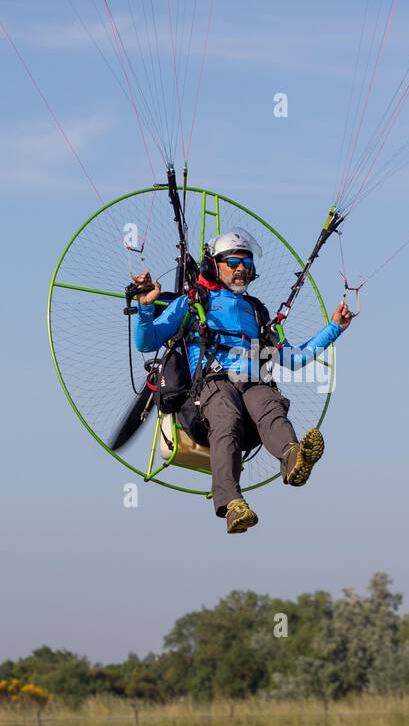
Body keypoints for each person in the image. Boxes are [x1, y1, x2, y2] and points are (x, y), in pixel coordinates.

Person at [132, 228, 355, 533]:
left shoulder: (257, 312)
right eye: (233, 261)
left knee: (270, 404)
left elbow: (293, 359)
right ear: (214, 265)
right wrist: (145, 307)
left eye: (246, 263)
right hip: (211, 385)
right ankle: (232, 503)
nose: (241, 269)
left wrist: (334, 327)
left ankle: (294, 458)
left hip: (251, 381)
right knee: (226, 416)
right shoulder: (193, 302)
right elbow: (147, 342)